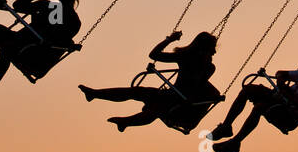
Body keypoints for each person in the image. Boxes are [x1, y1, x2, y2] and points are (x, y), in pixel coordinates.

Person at [79, 31, 220, 132]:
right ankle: (95, 94)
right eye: (212, 49)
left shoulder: (205, 66)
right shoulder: (187, 58)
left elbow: (198, 86)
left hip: (180, 103)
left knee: (156, 108)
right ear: (202, 49)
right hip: (172, 96)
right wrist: (169, 40)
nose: (214, 52)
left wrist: (169, 40)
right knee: (138, 92)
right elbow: (154, 55)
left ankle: (125, 121)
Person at [210, 52, 298, 152]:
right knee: (248, 90)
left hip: (289, 116)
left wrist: (291, 96)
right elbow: (281, 73)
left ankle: (235, 142)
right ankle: (226, 126)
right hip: (279, 100)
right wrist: (280, 81)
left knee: (260, 107)